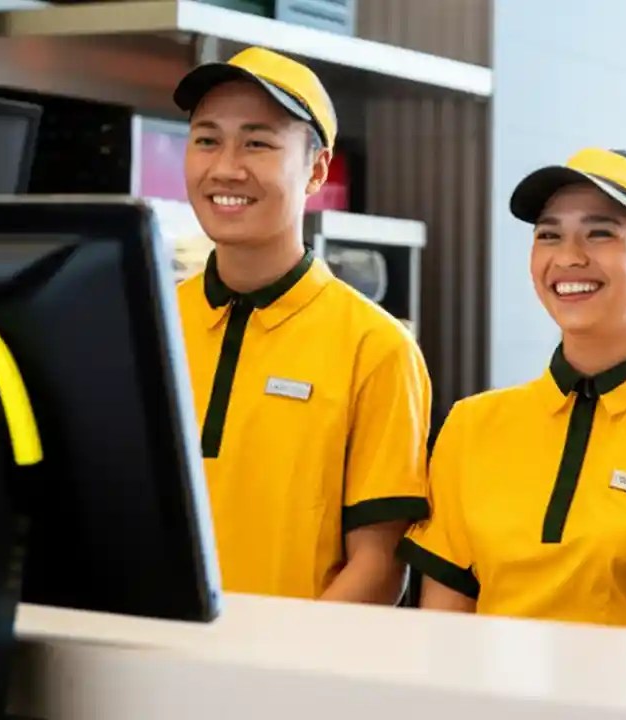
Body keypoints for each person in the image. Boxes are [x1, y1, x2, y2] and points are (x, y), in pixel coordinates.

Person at [173, 46, 432, 603]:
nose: (225, 167)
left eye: (258, 143)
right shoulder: (152, 322)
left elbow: (380, 563)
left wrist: (280, 671)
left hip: (287, 674)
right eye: (207, 139)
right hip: (137, 668)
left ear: (316, 170)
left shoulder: (377, 347)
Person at [398, 148, 626, 628]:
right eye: (549, 235)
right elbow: (443, 632)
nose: (569, 257)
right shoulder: (473, 426)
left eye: (600, 233)